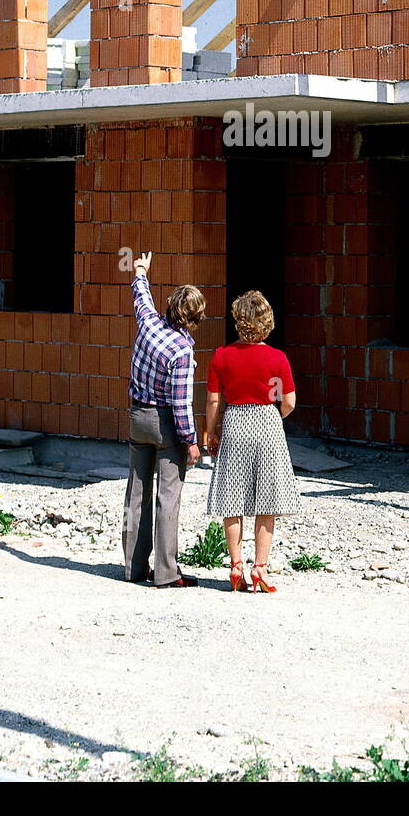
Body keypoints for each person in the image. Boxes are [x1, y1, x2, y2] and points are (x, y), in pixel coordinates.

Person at [206, 291, 300, 593]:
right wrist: (273, 418)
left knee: (232, 498)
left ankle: (236, 566)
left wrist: (211, 430)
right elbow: (289, 401)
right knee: (267, 499)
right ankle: (260, 567)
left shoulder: (222, 355)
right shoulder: (277, 358)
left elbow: (213, 399)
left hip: (235, 421)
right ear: (266, 322)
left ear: (238, 321)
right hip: (268, 422)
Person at [122, 251, 206, 588]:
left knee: (136, 494)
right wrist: (191, 441)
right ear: (196, 317)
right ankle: (167, 572)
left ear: (169, 306)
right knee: (167, 497)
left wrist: (141, 269)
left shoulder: (149, 324)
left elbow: (141, 295)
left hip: (137, 416)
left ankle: (133, 568)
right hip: (166, 424)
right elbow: (180, 402)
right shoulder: (182, 351)